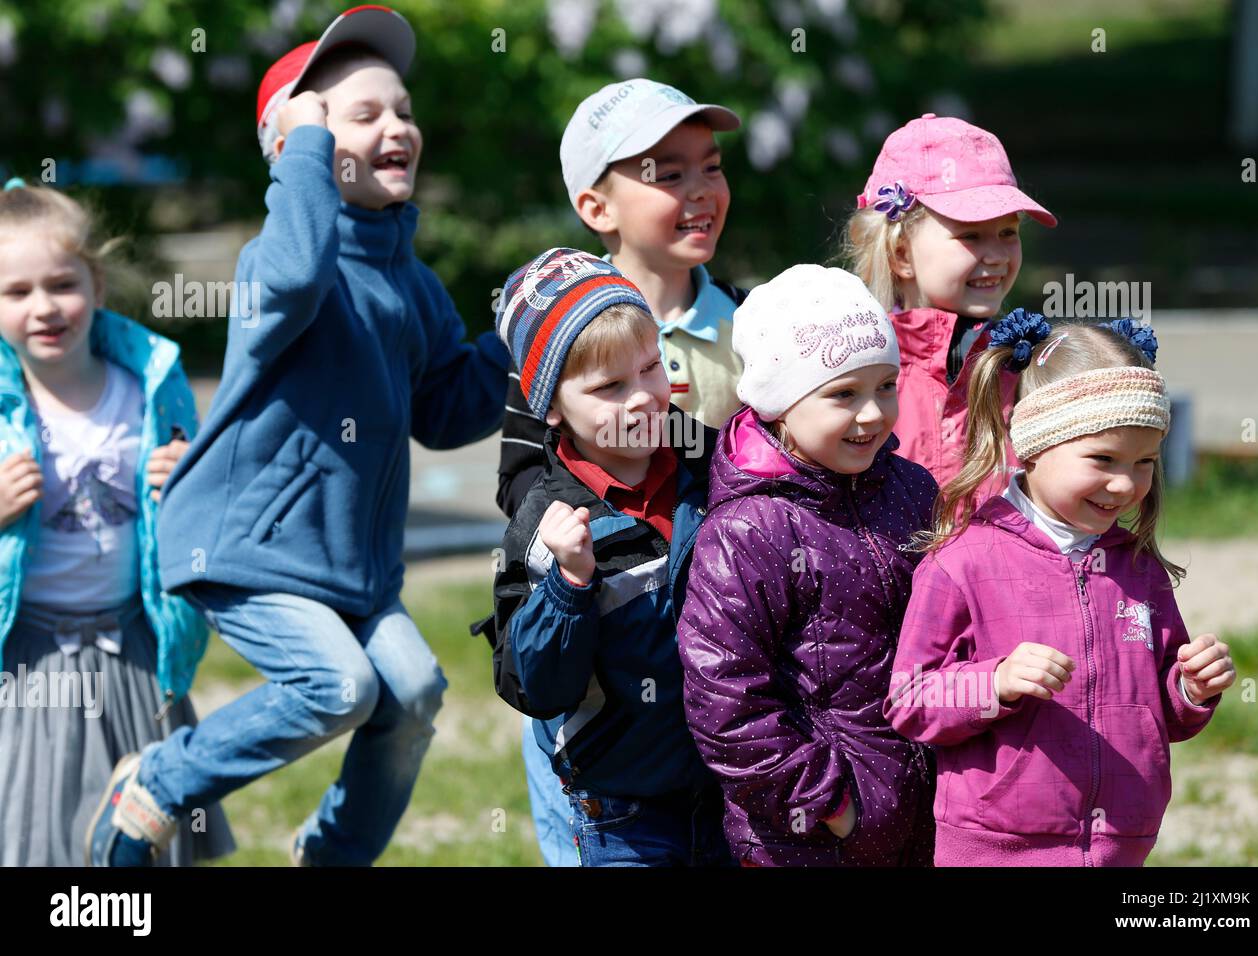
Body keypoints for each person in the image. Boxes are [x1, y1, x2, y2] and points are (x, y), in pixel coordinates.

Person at [86, 5, 510, 866]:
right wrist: (304, 150)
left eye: (404, 110)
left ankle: (330, 858)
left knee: (415, 692)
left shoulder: (414, 282)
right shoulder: (271, 262)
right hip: (248, 547)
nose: (397, 126)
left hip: (354, 573)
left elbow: (449, 413)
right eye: (359, 115)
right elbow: (300, 266)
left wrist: (518, 335)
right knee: (339, 686)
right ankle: (159, 784)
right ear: (298, 146)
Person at [886, 312, 1235, 865]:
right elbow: (909, 700)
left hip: (1122, 843)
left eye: (1145, 462)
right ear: (1033, 446)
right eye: (1102, 459)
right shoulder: (963, 561)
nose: (1126, 484)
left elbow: (1162, 711)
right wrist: (993, 682)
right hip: (997, 848)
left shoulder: (1138, 569)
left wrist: (1191, 689)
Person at [0, 178, 234, 866]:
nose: (44, 306)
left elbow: (210, 509)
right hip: (27, 662)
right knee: (34, 839)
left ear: (96, 285)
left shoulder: (149, 389)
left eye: (61, 284)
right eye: (16, 292)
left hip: (133, 654)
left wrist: (189, 482)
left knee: (145, 842)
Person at [677, 264, 938, 866]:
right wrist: (832, 806)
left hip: (920, 820)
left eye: (886, 386)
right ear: (778, 404)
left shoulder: (913, 490)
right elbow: (727, 701)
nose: (872, 414)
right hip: (803, 842)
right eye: (843, 394)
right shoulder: (748, 531)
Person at [485, 247, 731, 867]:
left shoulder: (716, 464)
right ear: (553, 406)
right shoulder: (546, 523)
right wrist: (569, 586)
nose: (643, 398)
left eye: (652, 369)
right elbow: (533, 685)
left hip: (731, 782)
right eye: (609, 387)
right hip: (623, 809)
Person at [843, 113, 1057, 502]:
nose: (996, 255)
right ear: (901, 252)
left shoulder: (1029, 369)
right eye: (971, 235)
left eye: (1008, 232)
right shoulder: (854, 372)